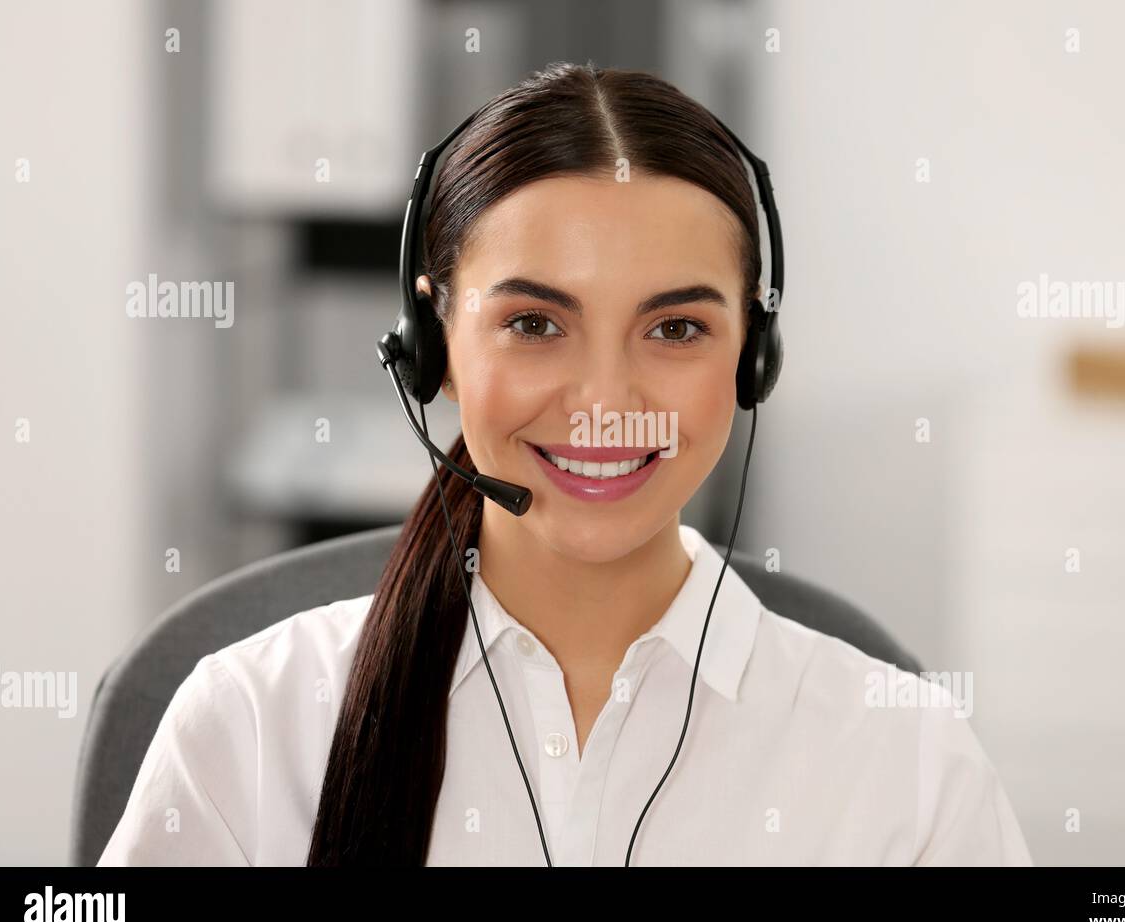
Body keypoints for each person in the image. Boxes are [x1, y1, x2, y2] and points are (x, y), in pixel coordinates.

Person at [98, 61, 1032, 867]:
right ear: (433, 348)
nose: (603, 402)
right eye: (534, 324)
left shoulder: (904, 763)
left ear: (753, 358)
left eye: (675, 328)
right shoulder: (252, 727)